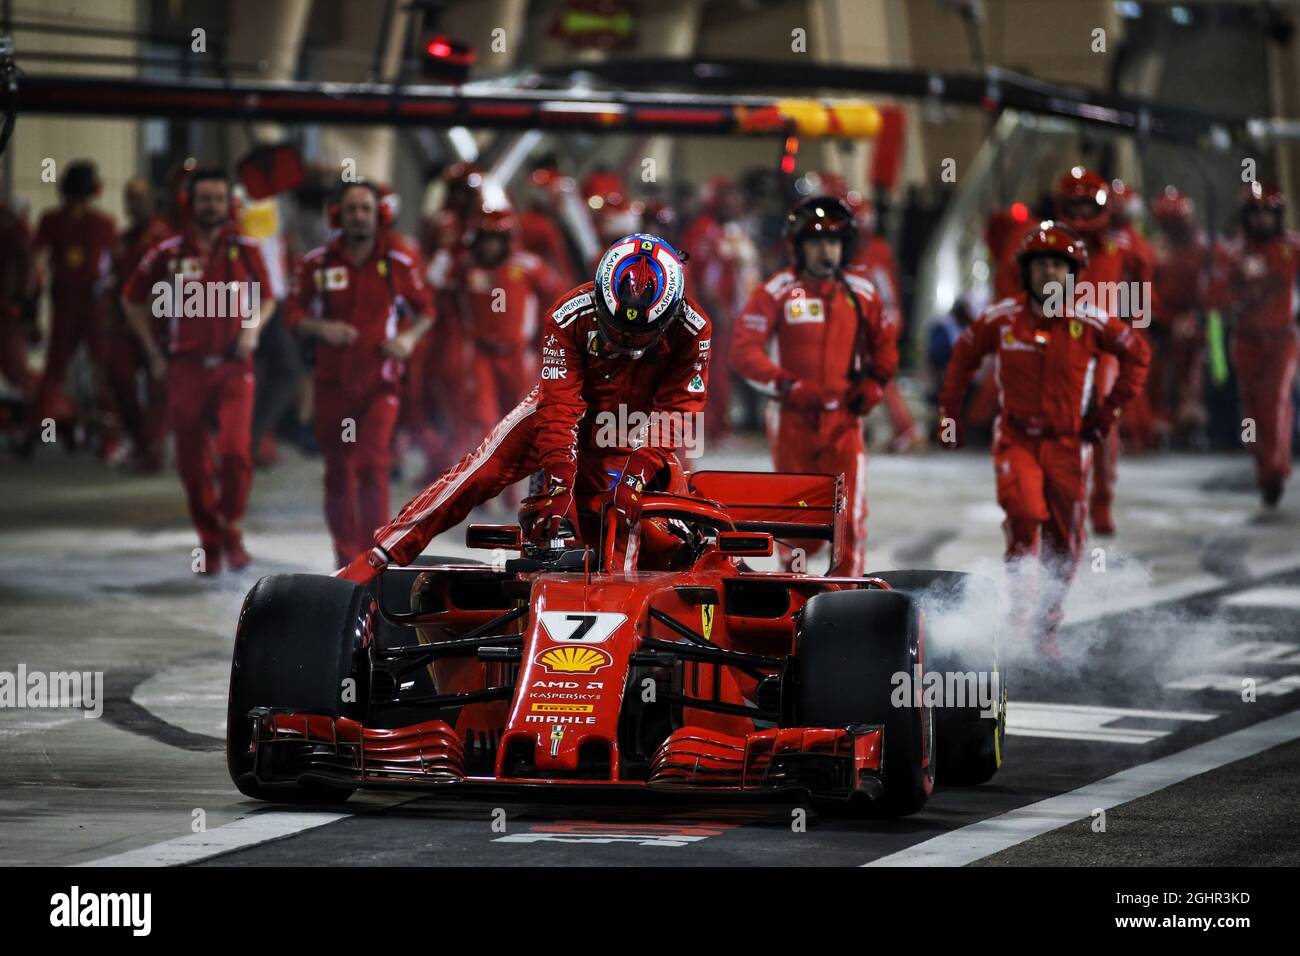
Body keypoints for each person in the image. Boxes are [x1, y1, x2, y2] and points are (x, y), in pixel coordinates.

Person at [337, 233, 711, 584]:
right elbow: (560, 405)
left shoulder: (695, 330)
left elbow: (679, 410)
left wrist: (637, 472)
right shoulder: (567, 317)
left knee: (629, 518)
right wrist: (561, 478)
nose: (627, 339)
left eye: (641, 333)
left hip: (632, 426)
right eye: (617, 329)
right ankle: (376, 558)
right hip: (563, 412)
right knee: (477, 473)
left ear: (671, 313)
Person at [938, 221, 1150, 657]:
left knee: (1065, 543)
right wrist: (950, 414)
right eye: (1041, 265)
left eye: (1058, 266)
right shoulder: (1002, 318)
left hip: (1071, 445)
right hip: (1016, 440)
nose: (1050, 274)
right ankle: (1017, 621)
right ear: (1025, 271)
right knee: (1022, 514)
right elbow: (963, 356)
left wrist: (1108, 409)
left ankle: (1045, 626)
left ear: (1073, 273)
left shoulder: (1090, 318)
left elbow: (1137, 354)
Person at [730, 195, 897, 576]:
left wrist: (874, 385)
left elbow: (886, 348)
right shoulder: (777, 290)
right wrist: (786, 386)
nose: (826, 250)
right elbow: (744, 351)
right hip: (791, 419)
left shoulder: (862, 293)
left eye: (834, 242)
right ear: (798, 246)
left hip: (844, 420)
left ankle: (847, 593)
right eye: (817, 241)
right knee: (797, 516)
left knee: (849, 515)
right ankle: (796, 591)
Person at [122, 168, 274, 574]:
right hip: (184, 369)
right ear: (190, 203)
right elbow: (132, 299)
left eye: (218, 199)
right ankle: (210, 542)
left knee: (235, 452)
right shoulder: (166, 251)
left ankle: (231, 528)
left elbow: (269, 298)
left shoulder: (245, 248)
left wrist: (252, 329)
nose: (211, 206)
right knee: (191, 462)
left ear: (229, 204)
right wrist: (153, 352)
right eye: (204, 199)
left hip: (233, 367)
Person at [284, 181, 435, 566]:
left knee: (373, 465)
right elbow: (293, 315)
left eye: (365, 209)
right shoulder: (316, 264)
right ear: (337, 215)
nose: (359, 217)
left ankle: (373, 557)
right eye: (351, 210)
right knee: (338, 471)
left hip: (380, 383)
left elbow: (427, 312)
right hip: (333, 386)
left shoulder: (399, 264)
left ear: (379, 214)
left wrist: (407, 339)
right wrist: (322, 328)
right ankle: (344, 558)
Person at [1053, 167, 1157, 535]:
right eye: (1074, 207)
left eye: (1088, 206)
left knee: (1103, 418)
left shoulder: (1125, 247)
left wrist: (1134, 332)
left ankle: (1101, 500)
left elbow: (1139, 297)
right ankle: (1068, 501)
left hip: (1105, 346)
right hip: (1062, 342)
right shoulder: (1050, 244)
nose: (1081, 217)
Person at [29, 160, 119, 458]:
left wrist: (31, 306)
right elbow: (116, 266)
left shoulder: (51, 220)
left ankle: (43, 431)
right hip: (94, 305)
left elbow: (36, 265)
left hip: (64, 303)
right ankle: (109, 439)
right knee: (102, 370)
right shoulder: (103, 223)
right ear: (94, 189)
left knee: (54, 371)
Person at [1221, 183, 1300, 509]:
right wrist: (1237, 297)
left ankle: (1276, 468)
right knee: (1251, 409)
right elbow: (1215, 294)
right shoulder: (1234, 253)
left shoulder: (1293, 248)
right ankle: (1263, 468)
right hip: (1247, 340)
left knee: (1275, 401)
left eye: (1268, 212)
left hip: (1282, 338)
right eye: (1256, 212)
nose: (1262, 219)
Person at [461, 206, 565, 440]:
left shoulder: (528, 265)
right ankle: (485, 471)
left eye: (496, 240)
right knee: (483, 417)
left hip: (518, 353)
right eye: (485, 239)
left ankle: (515, 475)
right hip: (482, 353)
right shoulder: (466, 267)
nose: (490, 246)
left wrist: (545, 338)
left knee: (518, 417)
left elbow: (558, 294)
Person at [679, 177, 761, 443]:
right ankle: (710, 428)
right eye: (729, 197)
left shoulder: (727, 231)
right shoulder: (703, 231)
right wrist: (715, 309)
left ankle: (717, 425)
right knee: (710, 372)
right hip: (709, 314)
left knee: (722, 371)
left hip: (727, 312)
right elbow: (702, 277)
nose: (736, 203)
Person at [108, 176, 171, 472]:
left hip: (159, 322)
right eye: (129, 198)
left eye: (139, 198)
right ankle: (138, 441)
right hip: (126, 323)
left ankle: (152, 451)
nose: (133, 205)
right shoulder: (122, 240)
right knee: (120, 378)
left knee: (158, 386)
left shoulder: (164, 237)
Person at [1150, 186, 1219, 447]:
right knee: (1158, 373)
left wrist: (1196, 316)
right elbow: (1147, 284)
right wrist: (1153, 317)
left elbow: (1213, 288)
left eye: (1174, 222)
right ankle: (1162, 422)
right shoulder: (1157, 249)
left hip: (1195, 324)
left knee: (1191, 374)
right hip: (1162, 322)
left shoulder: (1204, 248)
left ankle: (1193, 424)